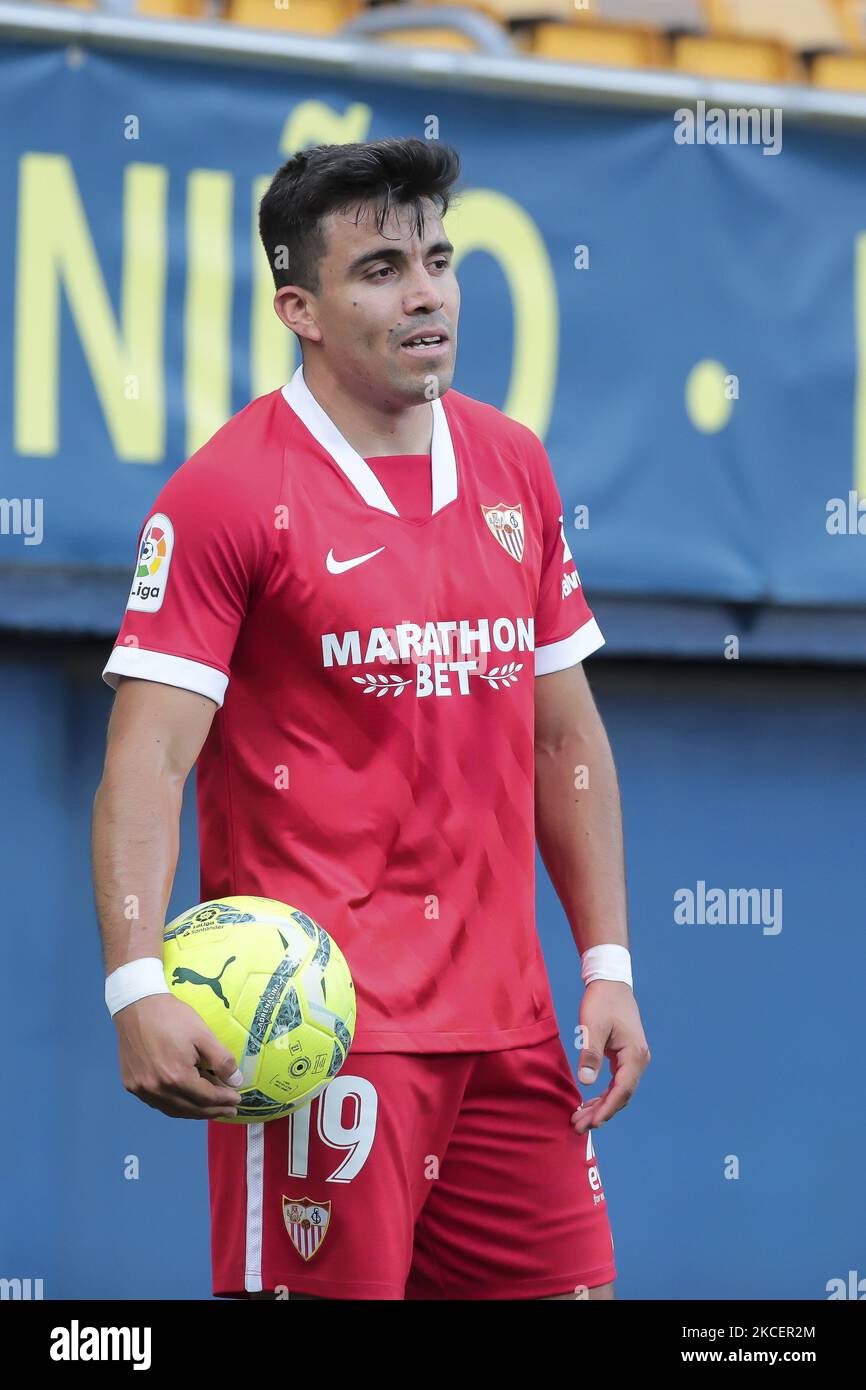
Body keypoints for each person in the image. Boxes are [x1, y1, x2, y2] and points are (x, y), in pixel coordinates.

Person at [92, 136, 650, 1301]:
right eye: (382, 269)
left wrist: (606, 961)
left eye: (439, 261)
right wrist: (135, 983)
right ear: (298, 306)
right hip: (322, 1040)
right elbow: (145, 764)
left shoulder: (515, 467)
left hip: (508, 1029)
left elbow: (564, 739)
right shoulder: (226, 493)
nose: (428, 293)